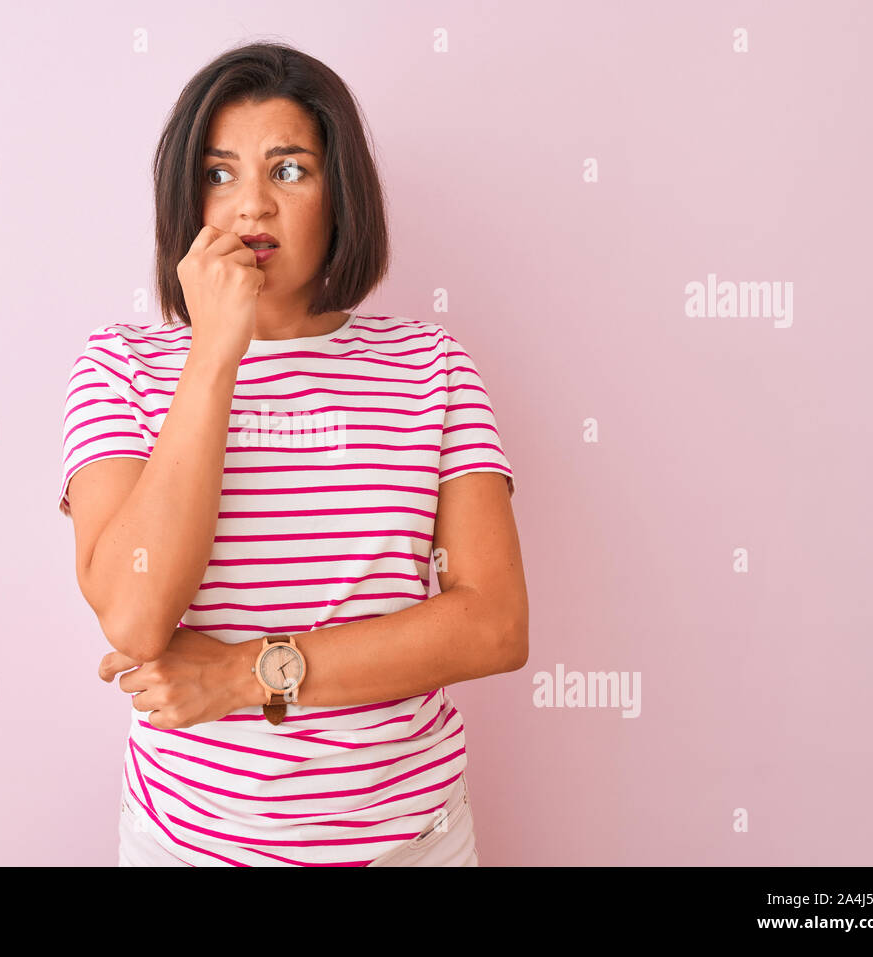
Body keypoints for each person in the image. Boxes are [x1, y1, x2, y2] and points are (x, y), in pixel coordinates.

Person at [59, 42, 528, 866]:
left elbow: (492, 624)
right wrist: (212, 357)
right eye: (218, 173)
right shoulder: (120, 366)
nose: (252, 208)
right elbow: (135, 616)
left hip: (414, 843)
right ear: (186, 199)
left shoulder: (432, 366)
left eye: (288, 171)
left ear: (337, 192)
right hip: (190, 848)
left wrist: (248, 674)